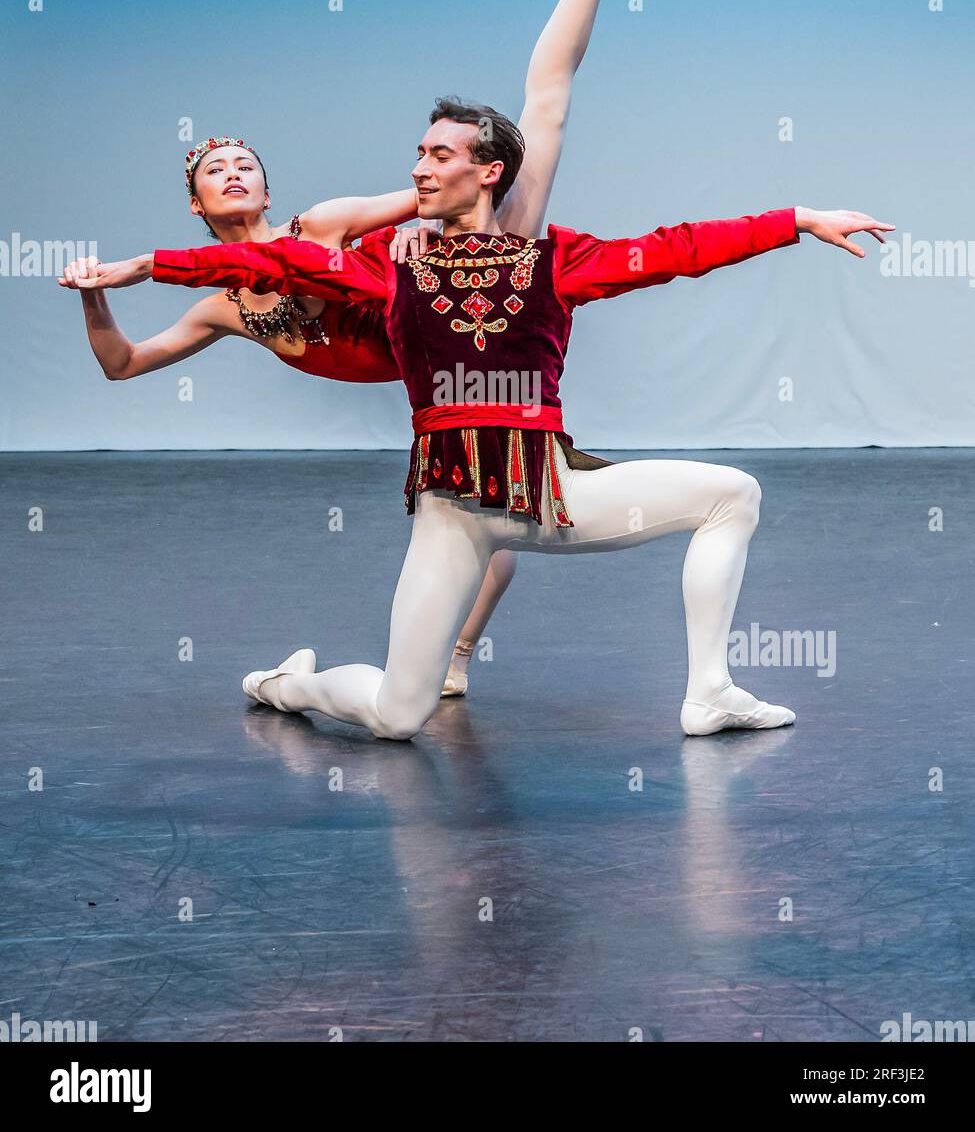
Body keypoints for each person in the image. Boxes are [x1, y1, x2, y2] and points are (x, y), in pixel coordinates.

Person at [67, 96, 893, 739]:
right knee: (397, 716)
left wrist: (795, 221)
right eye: (218, 170)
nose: (420, 172)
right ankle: (285, 684)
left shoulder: (521, 256)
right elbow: (256, 265)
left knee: (730, 492)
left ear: (485, 174)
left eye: (439, 158)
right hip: (453, 498)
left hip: (537, 487)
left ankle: (707, 691)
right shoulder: (381, 271)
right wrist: (141, 270)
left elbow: (672, 248)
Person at [61, 0, 636, 699]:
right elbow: (121, 366)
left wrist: (424, 233)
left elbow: (439, 187)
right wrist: (98, 294)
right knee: (481, 517)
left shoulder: (321, 225)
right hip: (435, 375)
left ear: (266, 184)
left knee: (540, 114)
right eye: (214, 169)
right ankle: (372, 673)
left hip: (447, 301)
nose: (232, 172)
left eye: (244, 162)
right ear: (194, 204)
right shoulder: (221, 303)